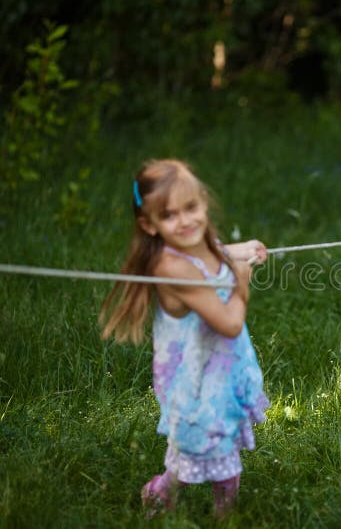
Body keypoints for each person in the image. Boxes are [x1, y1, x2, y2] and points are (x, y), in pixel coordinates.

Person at [99, 159, 270, 518]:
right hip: (196, 379)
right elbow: (230, 324)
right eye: (170, 215)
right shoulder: (170, 267)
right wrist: (241, 281)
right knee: (215, 453)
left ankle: (161, 492)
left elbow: (213, 254)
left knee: (213, 445)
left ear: (203, 202)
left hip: (218, 367)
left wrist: (240, 251)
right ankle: (223, 518)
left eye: (191, 207)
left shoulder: (196, 244)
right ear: (149, 224)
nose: (186, 221)